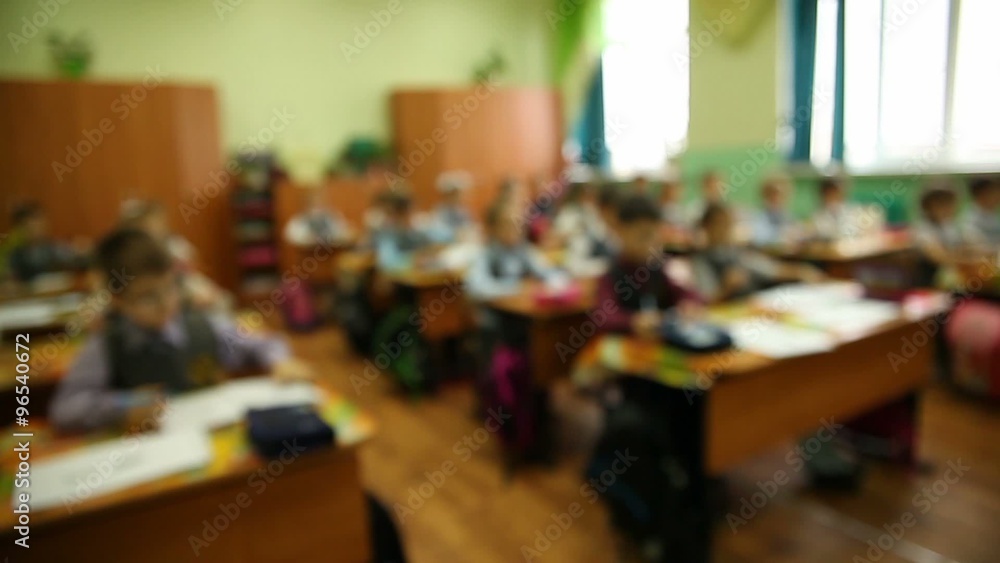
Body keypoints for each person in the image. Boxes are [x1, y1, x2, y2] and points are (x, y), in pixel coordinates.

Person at [48, 229, 311, 433]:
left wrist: (281, 361)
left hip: (213, 441)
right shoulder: (107, 344)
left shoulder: (203, 323)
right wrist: (122, 407)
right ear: (118, 301)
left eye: (170, 288)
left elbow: (263, 344)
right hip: (152, 455)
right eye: (147, 298)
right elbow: (65, 409)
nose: (164, 304)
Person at [596, 194, 702, 340]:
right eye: (642, 236)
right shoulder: (612, 275)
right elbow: (604, 317)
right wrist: (632, 321)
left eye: (654, 236)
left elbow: (688, 293)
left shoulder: (659, 269)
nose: (650, 244)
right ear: (620, 231)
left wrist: (688, 305)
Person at [692, 203, 823, 303]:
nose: (724, 229)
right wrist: (726, 288)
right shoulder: (701, 259)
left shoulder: (735, 252)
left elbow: (770, 270)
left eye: (728, 224)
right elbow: (705, 302)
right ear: (706, 227)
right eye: (719, 224)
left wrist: (802, 272)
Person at [120, 199, 230, 313]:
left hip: (187, 285)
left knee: (222, 300)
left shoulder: (174, 244)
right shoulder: (134, 257)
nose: (157, 228)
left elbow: (191, 268)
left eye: (159, 222)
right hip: (174, 296)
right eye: (148, 225)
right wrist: (190, 298)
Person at [913, 182, 979, 286]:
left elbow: (968, 245)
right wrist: (970, 261)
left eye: (950, 203)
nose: (947, 208)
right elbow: (939, 257)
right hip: (932, 283)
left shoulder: (949, 226)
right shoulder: (923, 229)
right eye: (940, 204)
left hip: (954, 276)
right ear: (927, 206)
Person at [5, 202, 86, 284]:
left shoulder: (55, 248)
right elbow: (11, 280)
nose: (39, 227)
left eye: (41, 221)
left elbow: (77, 260)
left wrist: (81, 251)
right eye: (31, 224)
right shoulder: (16, 255)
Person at [284, 189, 350, 247]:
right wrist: (309, 239)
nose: (318, 207)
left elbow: (344, 233)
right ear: (307, 204)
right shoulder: (298, 221)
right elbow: (291, 237)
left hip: (331, 255)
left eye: (320, 202)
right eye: (314, 203)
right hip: (308, 256)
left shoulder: (332, 217)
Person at [427, 170, 475, 244]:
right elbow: (436, 234)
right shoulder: (439, 211)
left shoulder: (462, 210)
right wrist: (455, 235)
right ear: (446, 195)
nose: (457, 197)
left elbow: (469, 226)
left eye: (458, 194)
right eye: (453, 194)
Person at [751, 174, 799, 247]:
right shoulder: (759, 216)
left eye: (782, 195)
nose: (777, 199)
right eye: (773, 195)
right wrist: (782, 237)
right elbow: (759, 238)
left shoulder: (787, 216)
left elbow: (797, 232)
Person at [810, 177, 864, 242]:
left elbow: (856, 232)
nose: (832, 197)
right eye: (829, 194)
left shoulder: (853, 212)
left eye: (835, 193)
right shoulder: (818, 216)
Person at [963, 176, 1000, 246]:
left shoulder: (992, 215)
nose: (998, 196)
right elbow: (977, 246)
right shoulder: (971, 219)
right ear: (982, 194)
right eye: (994, 192)